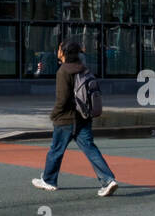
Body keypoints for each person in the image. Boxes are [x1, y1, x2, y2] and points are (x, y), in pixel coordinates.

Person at [31, 41, 118, 196]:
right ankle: (108, 179)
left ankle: (49, 181)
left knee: (56, 150)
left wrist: (54, 115)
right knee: (90, 149)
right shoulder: (83, 68)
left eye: (59, 48)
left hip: (65, 119)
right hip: (83, 117)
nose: (57, 50)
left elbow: (62, 99)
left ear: (64, 52)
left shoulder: (63, 71)